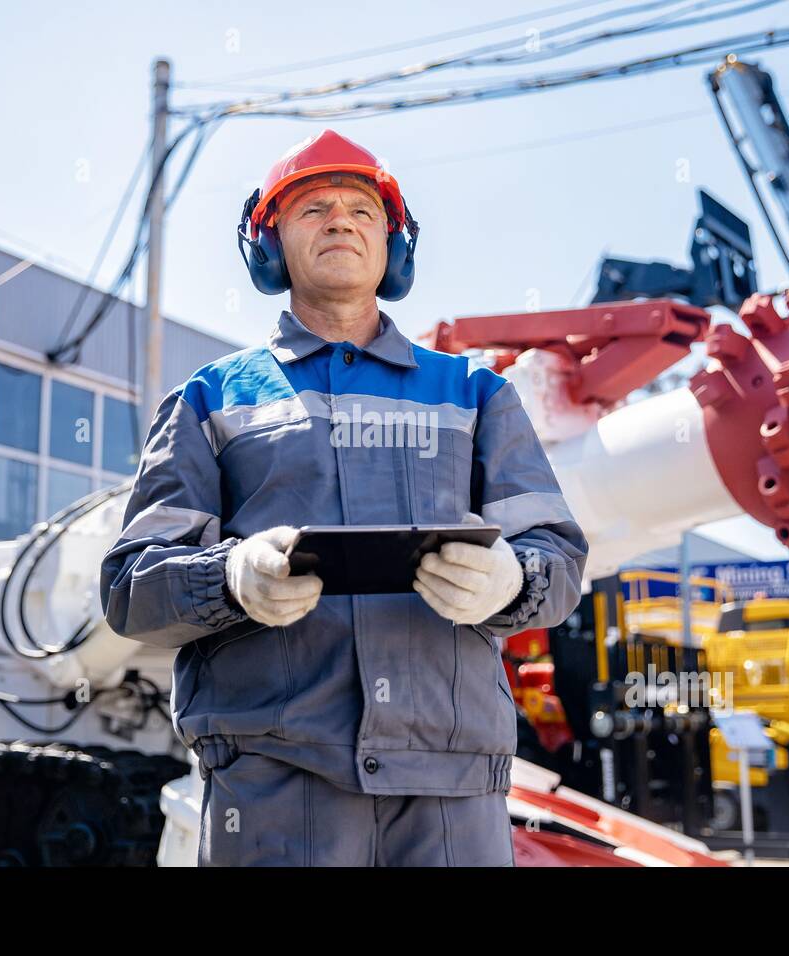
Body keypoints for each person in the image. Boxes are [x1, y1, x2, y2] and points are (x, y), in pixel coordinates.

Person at [101, 129, 588, 866]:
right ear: (269, 246)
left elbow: (555, 557)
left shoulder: (475, 394)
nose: (339, 221)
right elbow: (130, 589)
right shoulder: (208, 400)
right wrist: (228, 579)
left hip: (450, 793)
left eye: (362, 210)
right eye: (312, 209)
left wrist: (510, 579)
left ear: (394, 244)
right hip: (272, 783)